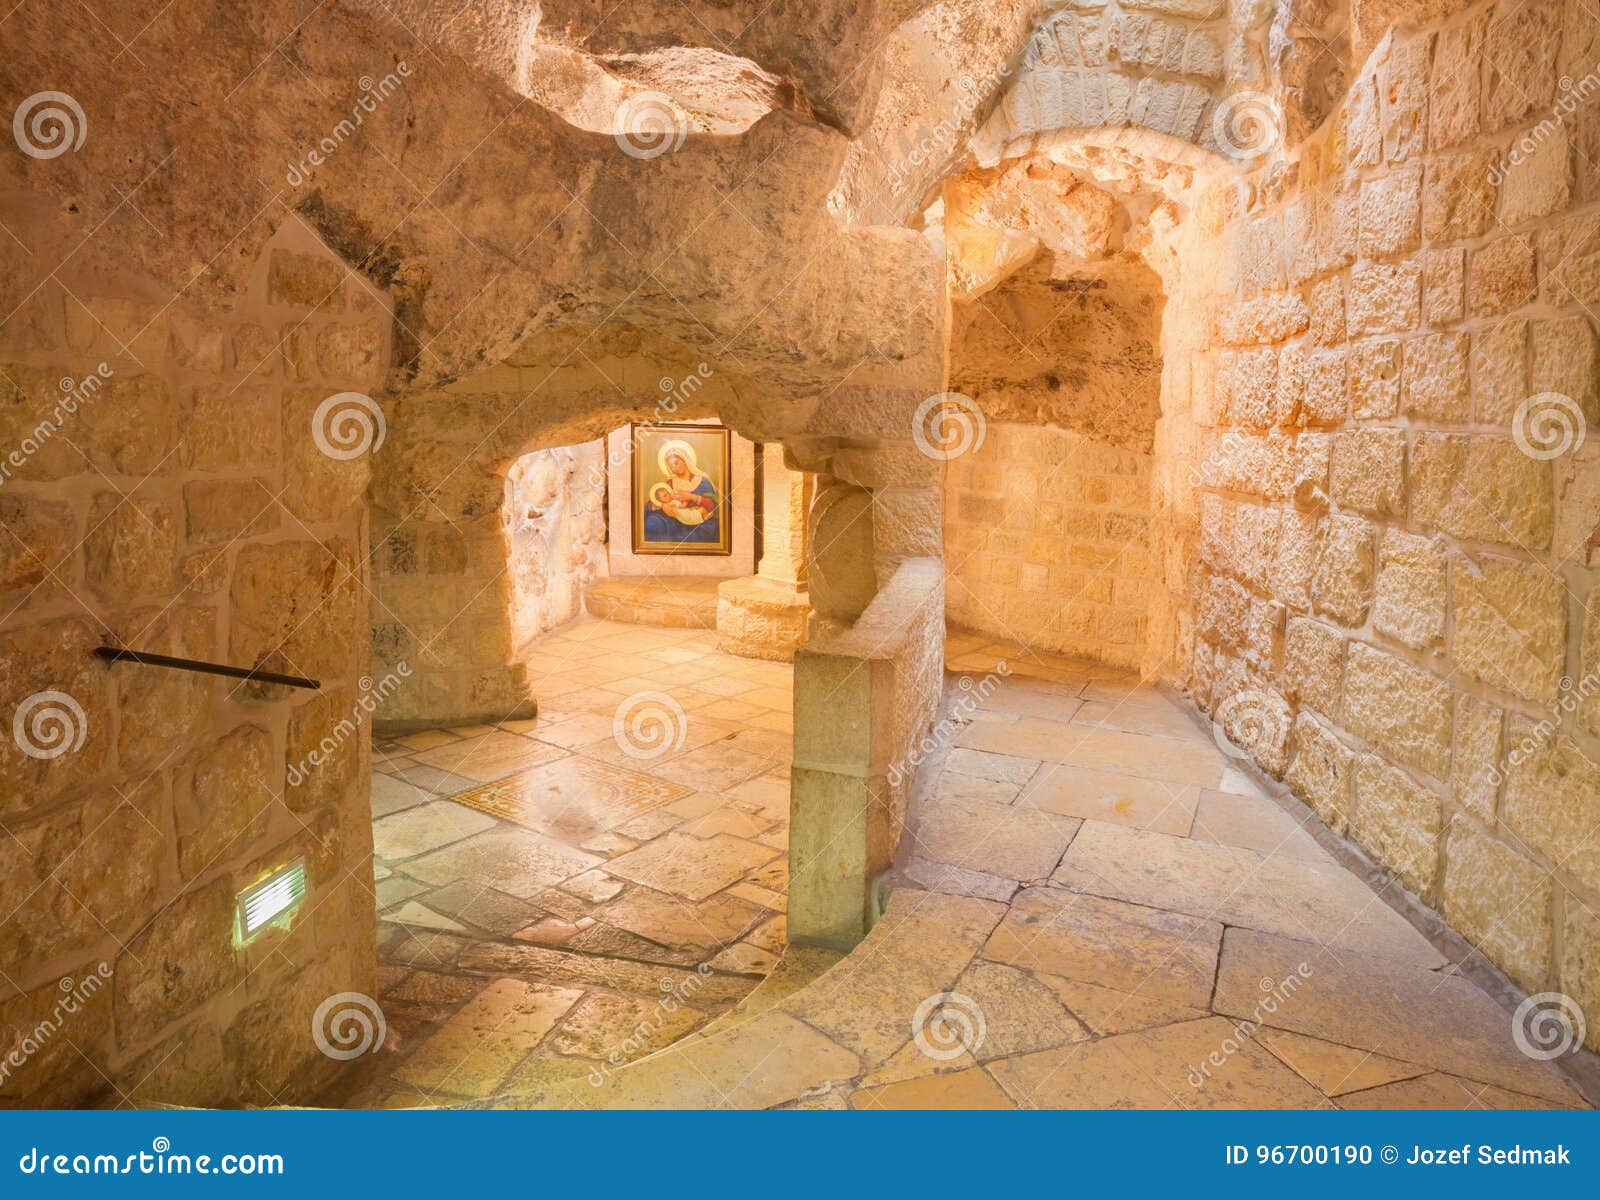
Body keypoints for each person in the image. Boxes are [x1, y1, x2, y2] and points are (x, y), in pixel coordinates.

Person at [643, 441, 720, 543]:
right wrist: (661, 505)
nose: (674, 468)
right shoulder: (670, 483)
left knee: (686, 536)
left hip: (700, 522)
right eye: (671, 466)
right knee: (652, 521)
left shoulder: (702, 481)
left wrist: (691, 497)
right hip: (677, 520)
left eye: (676, 463)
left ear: (685, 460)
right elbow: (656, 498)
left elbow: (712, 505)